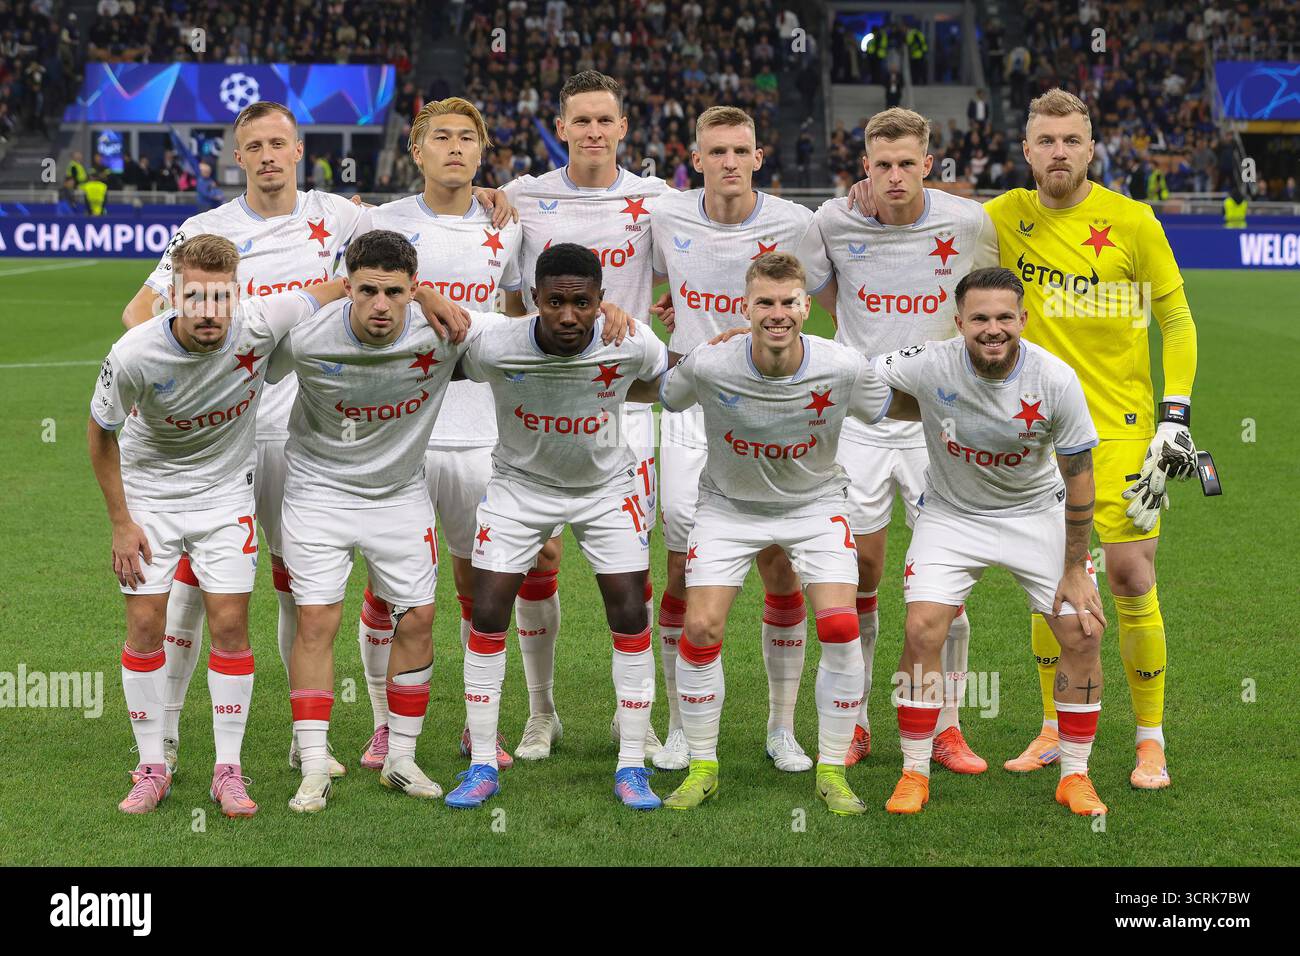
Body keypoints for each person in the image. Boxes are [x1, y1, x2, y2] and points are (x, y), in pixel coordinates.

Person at [118, 100, 501, 780]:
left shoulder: (345, 216)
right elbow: (139, 311)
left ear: (300, 151)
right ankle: (166, 740)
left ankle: (309, 737)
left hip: (309, 436)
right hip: (228, 437)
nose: (268, 155)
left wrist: (483, 212)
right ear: (237, 158)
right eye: (254, 145)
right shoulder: (205, 229)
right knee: (190, 587)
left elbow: (400, 254)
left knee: (301, 588)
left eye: (279, 143)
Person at [88, 234, 352, 816]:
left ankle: (226, 771)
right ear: (173, 296)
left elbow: (341, 287)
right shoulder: (135, 353)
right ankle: (152, 766)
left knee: (231, 623)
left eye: (220, 298)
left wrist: (430, 298)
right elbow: (100, 433)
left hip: (225, 495)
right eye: (196, 298)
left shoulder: (261, 321)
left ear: (237, 295)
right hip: (150, 496)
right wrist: (120, 521)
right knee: (145, 623)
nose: (209, 312)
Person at [980, 90, 1198, 790]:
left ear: (1091, 147)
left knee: (1132, 577)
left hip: (1124, 432)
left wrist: (1176, 417)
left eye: (1071, 140)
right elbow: (920, 216)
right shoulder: (1003, 217)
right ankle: (1052, 726)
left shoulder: (1131, 221)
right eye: (1045, 140)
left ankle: (1149, 740)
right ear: (1026, 149)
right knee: (1052, 589)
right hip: (1036, 439)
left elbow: (1177, 319)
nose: (1059, 153)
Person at [653, 251, 911, 815]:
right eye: (764, 303)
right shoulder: (711, 362)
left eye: (789, 301)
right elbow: (666, 395)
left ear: (805, 306)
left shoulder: (843, 365)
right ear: (743, 308)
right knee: (699, 628)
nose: (777, 313)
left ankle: (833, 770)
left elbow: (889, 410)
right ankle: (701, 765)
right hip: (727, 507)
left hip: (814, 505)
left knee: (841, 626)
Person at [269, 230, 489, 813]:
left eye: (395, 292)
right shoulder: (306, 334)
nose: (380, 305)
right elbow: (242, 354)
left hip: (398, 493)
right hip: (317, 492)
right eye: (367, 290)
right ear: (347, 288)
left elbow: (536, 338)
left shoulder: (444, 333)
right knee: (316, 619)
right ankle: (314, 765)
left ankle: (401, 757)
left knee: (417, 617)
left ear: (414, 291)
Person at [875, 266, 1108, 817]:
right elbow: (858, 375)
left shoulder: (1055, 379)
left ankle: (1075, 775)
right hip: (952, 516)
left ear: (1023, 319)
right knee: (922, 627)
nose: (993, 328)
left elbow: (1080, 478)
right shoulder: (929, 363)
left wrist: (1076, 565)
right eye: (979, 318)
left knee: (1082, 633)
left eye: (1005, 316)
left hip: (1037, 514)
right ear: (959, 322)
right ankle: (914, 771)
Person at [446, 243, 669, 811]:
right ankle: (481, 764)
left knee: (629, 609)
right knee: (489, 608)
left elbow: (661, 380)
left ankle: (633, 765)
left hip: (606, 489)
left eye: (582, 302)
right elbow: (440, 356)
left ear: (600, 301)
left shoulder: (631, 341)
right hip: (519, 489)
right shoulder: (497, 344)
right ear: (534, 300)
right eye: (555, 302)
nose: (568, 316)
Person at [647, 105, 833, 773]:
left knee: (779, 563)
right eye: (716, 149)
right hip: (693, 407)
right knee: (679, 565)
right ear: (694, 158)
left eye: (741, 150)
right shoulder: (664, 214)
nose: (729, 160)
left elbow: (825, 294)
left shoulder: (797, 223)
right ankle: (675, 724)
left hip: (774, 408)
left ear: (760, 157)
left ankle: (782, 728)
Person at [815, 107, 999, 770]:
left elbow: (992, 301)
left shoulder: (968, 223)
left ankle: (947, 725)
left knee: (943, 582)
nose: (894, 176)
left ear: (928, 164)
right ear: (865, 165)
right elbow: (797, 288)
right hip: (860, 427)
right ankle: (858, 720)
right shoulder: (834, 221)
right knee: (857, 575)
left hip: (940, 427)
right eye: (881, 164)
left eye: (906, 163)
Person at [498, 71, 671, 761]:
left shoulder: (659, 199)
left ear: (624, 129)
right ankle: (542, 715)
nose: (594, 132)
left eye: (606, 120)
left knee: (631, 567)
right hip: (541, 406)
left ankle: (636, 722)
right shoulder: (519, 198)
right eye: (581, 121)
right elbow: (507, 297)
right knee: (538, 556)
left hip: (626, 407)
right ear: (561, 127)